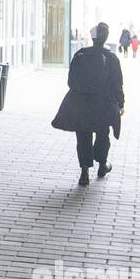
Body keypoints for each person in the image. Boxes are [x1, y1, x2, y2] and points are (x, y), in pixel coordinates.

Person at [52, 23, 124, 187]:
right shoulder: (111, 58)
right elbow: (117, 84)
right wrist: (121, 103)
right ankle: (102, 165)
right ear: (106, 37)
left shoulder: (80, 54)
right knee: (102, 134)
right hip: (103, 104)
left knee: (83, 135)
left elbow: (71, 81)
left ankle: (84, 171)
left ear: (92, 37)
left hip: (81, 103)